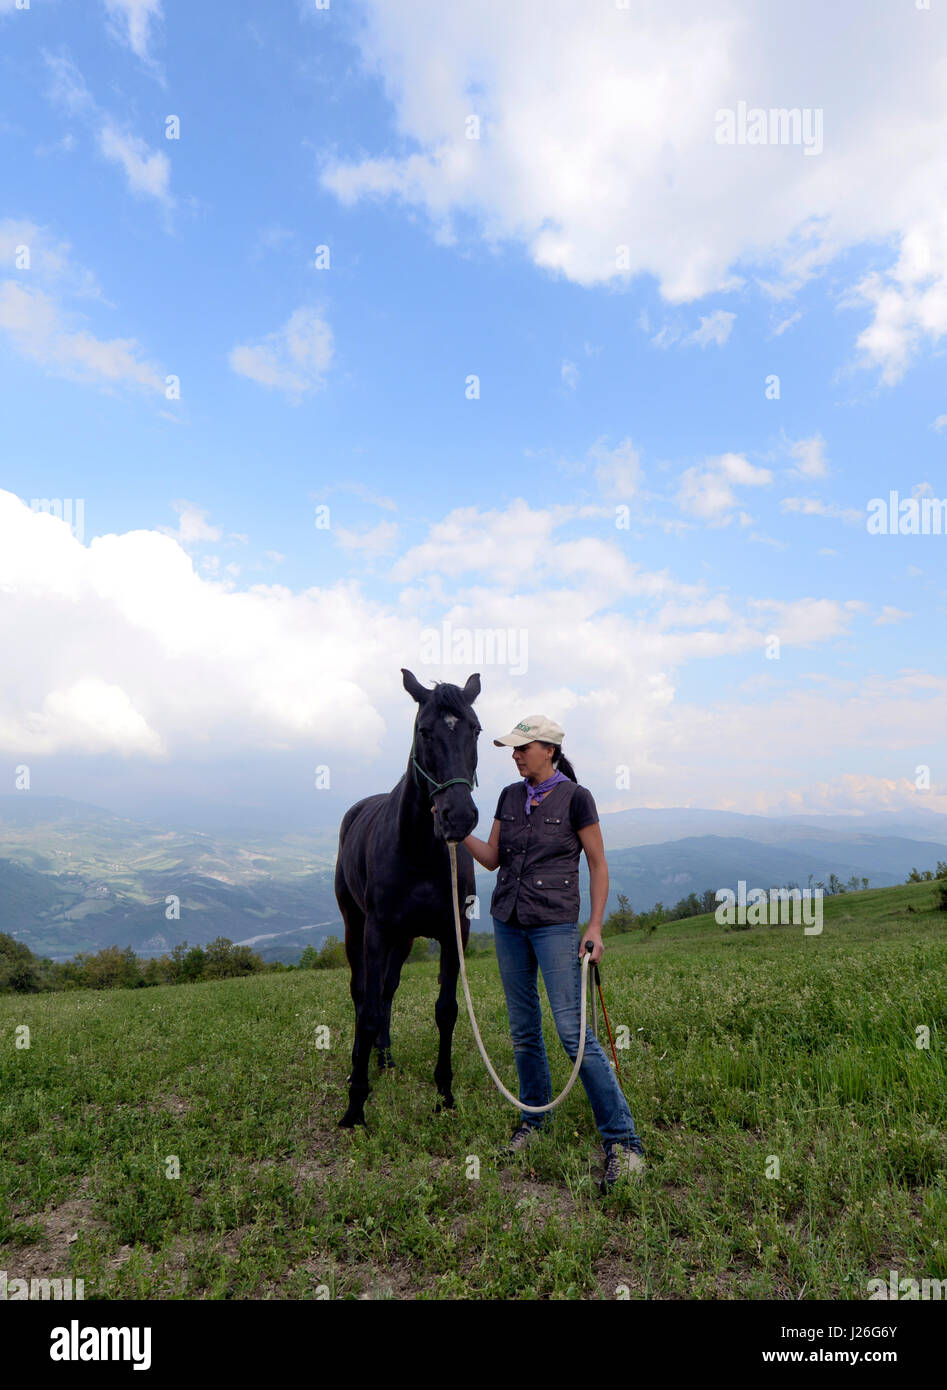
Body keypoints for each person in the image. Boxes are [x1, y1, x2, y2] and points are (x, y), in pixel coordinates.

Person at [463, 714, 646, 1193]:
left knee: (573, 1034)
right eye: (513, 748)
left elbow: (599, 865)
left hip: (556, 927)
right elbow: (493, 858)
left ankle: (624, 1143)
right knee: (524, 1030)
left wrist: (596, 926)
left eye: (524, 748)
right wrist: (458, 832)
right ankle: (534, 1120)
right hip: (508, 922)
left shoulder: (577, 798)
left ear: (549, 749)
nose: (516, 754)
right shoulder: (508, 795)